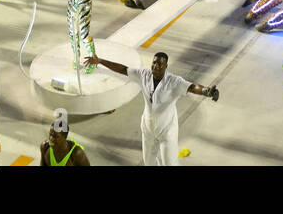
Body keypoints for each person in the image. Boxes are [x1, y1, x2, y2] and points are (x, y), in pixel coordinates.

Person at [87, 52, 220, 166]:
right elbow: (123, 69)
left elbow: (191, 87)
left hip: (167, 130)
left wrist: (206, 91)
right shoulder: (144, 75)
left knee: (170, 162)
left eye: (160, 64)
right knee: (148, 162)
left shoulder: (174, 82)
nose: (155, 66)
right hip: (148, 128)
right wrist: (100, 61)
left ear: (166, 66)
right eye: (154, 62)